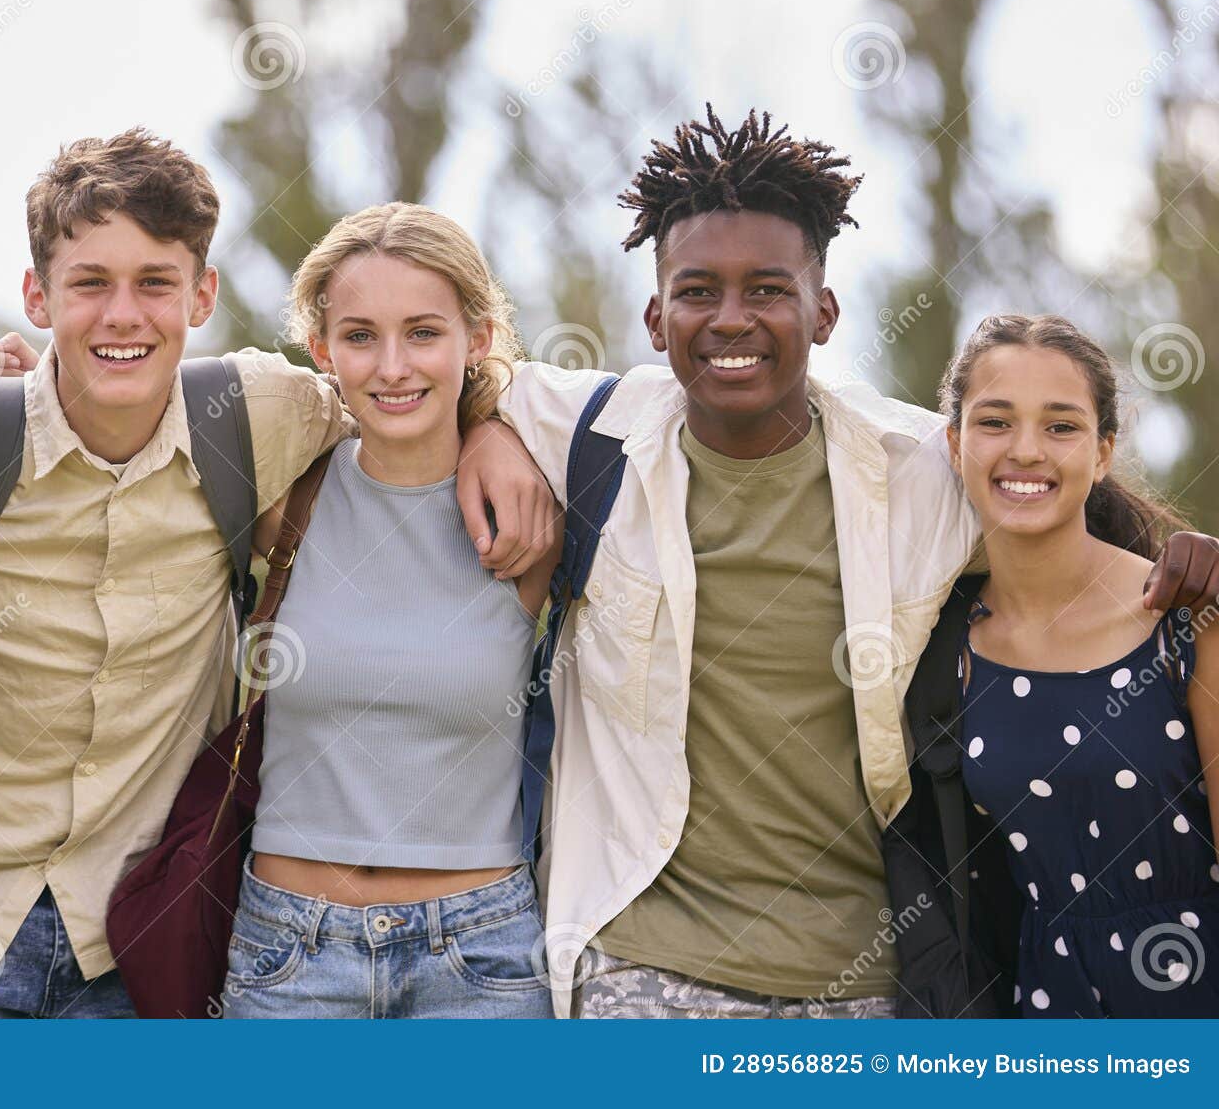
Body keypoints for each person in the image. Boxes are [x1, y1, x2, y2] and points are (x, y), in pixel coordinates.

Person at [0, 130, 553, 1018]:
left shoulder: (256, 415)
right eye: (90, 283)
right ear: (37, 296)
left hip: (133, 945)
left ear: (201, 295)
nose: (123, 315)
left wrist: (494, 431)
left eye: (156, 282)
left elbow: (398, 390)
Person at [494, 106, 1219, 1018]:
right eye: (696, 291)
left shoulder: (920, 465)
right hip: (637, 970)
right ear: (652, 315)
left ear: (824, 311)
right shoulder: (586, 438)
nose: (730, 320)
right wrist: (490, 434)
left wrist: (1191, 558)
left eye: (767, 289)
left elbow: (1043, 487)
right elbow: (434, 371)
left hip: (865, 984)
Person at [224, 204, 557, 1018]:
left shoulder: (531, 521)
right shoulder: (283, 504)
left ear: (477, 339)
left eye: (423, 333)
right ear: (322, 349)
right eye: (361, 335)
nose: (393, 366)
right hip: (288, 954)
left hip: (482, 959)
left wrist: (500, 427)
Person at [939, 313, 1219, 1017]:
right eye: (995, 421)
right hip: (1051, 1017)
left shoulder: (1188, 615)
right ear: (954, 445)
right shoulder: (947, 651)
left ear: (1102, 453)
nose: (1026, 450)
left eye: (1061, 426)